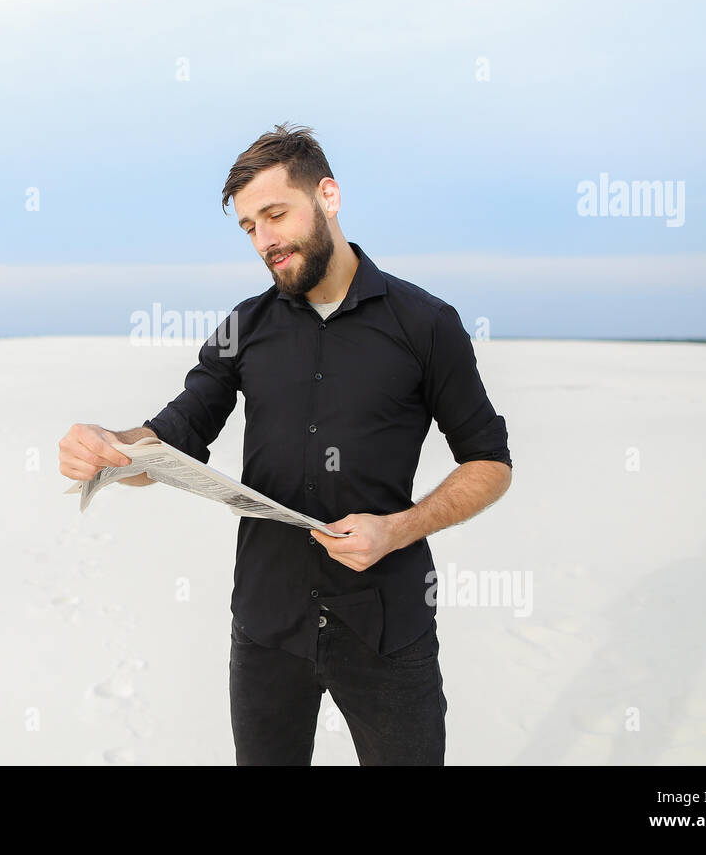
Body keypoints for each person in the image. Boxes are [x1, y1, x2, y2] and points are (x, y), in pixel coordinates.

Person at [58, 122, 513, 765]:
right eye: (249, 227)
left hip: (388, 626)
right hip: (267, 626)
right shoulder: (243, 327)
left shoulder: (426, 323)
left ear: (327, 196)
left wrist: (400, 528)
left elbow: (490, 461)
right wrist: (111, 448)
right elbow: (175, 436)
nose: (265, 241)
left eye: (276, 214)